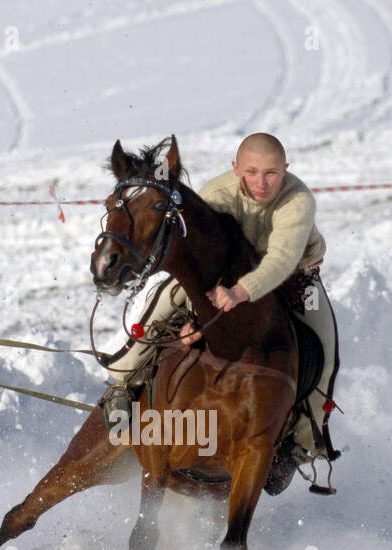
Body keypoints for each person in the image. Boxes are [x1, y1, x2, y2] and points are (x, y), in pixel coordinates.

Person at [99, 133, 340, 489]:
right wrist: (199, 317)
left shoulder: (299, 201)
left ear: (286, 170)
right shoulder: (217, 194)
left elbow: (282, 259)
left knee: (326, 351)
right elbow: (195, 246)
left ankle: (301, 445)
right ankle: (122, 381)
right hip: (224, 273)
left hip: (297, 280)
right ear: (235, 169)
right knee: (161, 301)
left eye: (272, 174)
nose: (261, 183)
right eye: (252, 172)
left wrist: (242, 292)